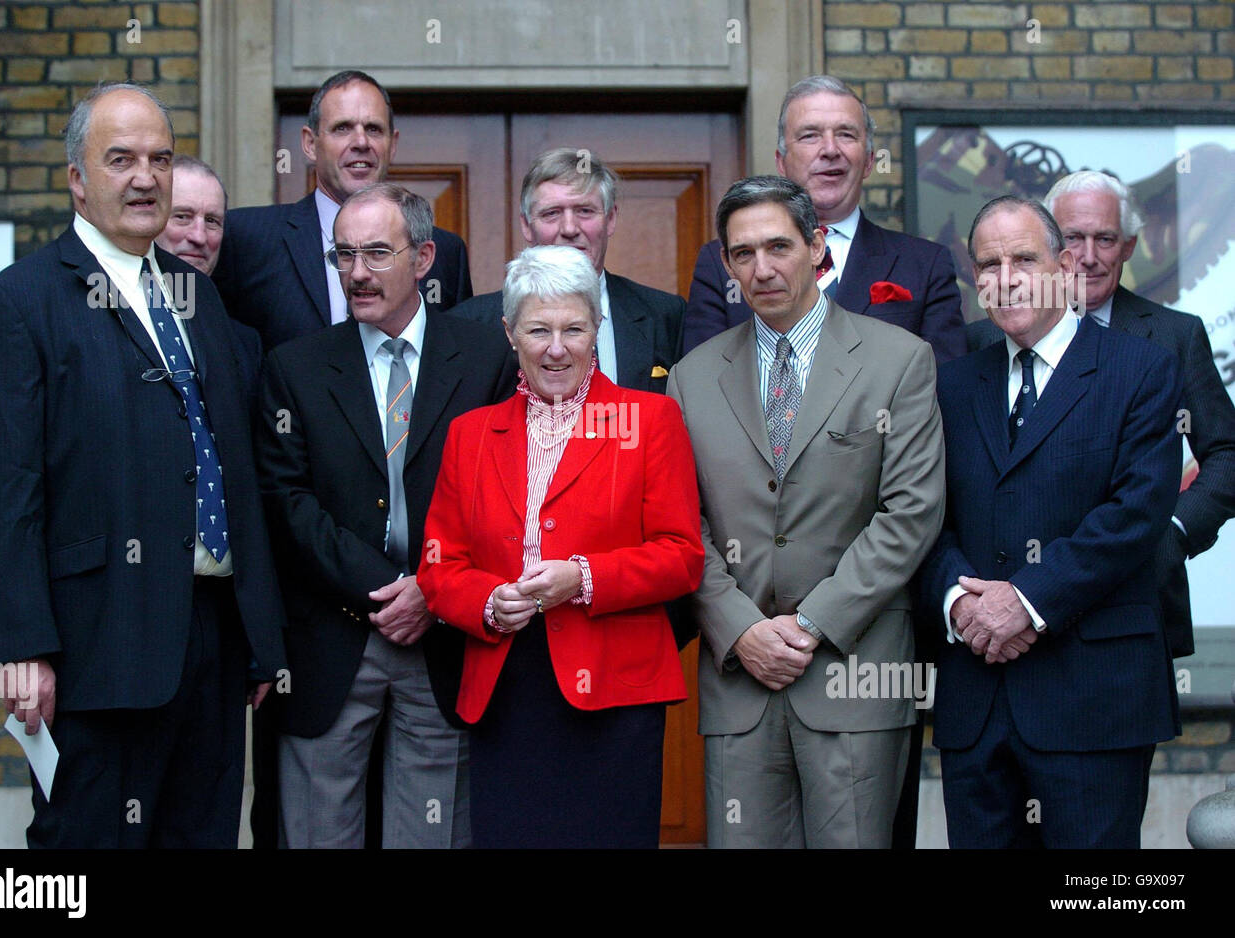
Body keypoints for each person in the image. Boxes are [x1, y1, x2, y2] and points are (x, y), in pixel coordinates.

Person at [0, 82, 286, 847]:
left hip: (212, 641)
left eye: (160, 159)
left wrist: (260, 635)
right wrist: (20, 646)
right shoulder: (19, 302)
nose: (146, 177)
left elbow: (237, 471)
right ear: (78, 178)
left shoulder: (198, 301)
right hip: (96, 647)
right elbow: (4, 489)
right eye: (122, 160)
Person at [668, 176, 945, 848]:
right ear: (726, 265)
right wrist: (741, 629)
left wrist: (814, 623)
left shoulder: (898, 361)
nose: (761, 269)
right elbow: (680, 524)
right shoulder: (692, 376)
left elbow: (911, 510)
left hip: (855, 671)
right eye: (742, 254)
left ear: (818, 246)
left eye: (778, 247)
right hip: (740, 679)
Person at [253, 183, 516, 848]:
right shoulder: (295, 368)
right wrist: (381, 588)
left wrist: (431, 590)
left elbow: (504, 494)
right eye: (343, 256)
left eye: (376, 253)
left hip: (446, 636)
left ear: (423, 257)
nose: (357, 274)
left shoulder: (487, 358)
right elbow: (287, 502)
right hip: (332, 635)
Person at [418, 244, 703, 848]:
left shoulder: (650, 419)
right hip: (507, 683)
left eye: (574, 329)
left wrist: (583, 578)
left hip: (615, 688)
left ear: (597, 328)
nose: (556, 348)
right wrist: (490, 600)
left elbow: (682, 556)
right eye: (538, 329)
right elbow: (439, 566)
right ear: (509, 332)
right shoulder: (471, 434)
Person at [921, 195, 1182, 848]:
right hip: (976, 696)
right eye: (987, 264)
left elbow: (1135, 514)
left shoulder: (1141, 370)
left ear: (1065, 265)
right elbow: (920, 514)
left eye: (1023, 259)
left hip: (1094, 696)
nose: (1004, 277)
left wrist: (1026, 601)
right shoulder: (951, 385)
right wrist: (959, 601)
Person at [967, 171, 1235, 659]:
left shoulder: (1173, 338)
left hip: (1133, 610)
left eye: (1105, 239)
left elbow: (1227, 453)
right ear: (1056, 248)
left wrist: (1172, 530)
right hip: (1005, 628)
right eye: (1074, 238)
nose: (1089, 256)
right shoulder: (981, 342)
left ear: (1129, 246)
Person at [683, 75, 965, 364]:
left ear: (869, 160)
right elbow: (706, 380)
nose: (830, 150)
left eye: (846, 134)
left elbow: (942, 386)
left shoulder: (924, 264)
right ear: (781, 161)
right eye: (810, 135)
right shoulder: (719, 265)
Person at [213, 70, 473, 351]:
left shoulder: (444, 251)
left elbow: (453, 359)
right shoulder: (246, 238)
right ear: (310, 144)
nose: (361, 142)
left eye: (373, 129)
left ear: (392, 144)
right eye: (342, 128)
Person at [450, 147, 684, 393]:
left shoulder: (665, 314)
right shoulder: (470, 324)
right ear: (527, 226)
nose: (570, 228)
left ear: (611, 218)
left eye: (585, 211)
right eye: (552, 213)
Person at [155, 154, 263, 399]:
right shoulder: (112, 319)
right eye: (182, 216)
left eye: (212, 221)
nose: (199, 236)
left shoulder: (245, 345)